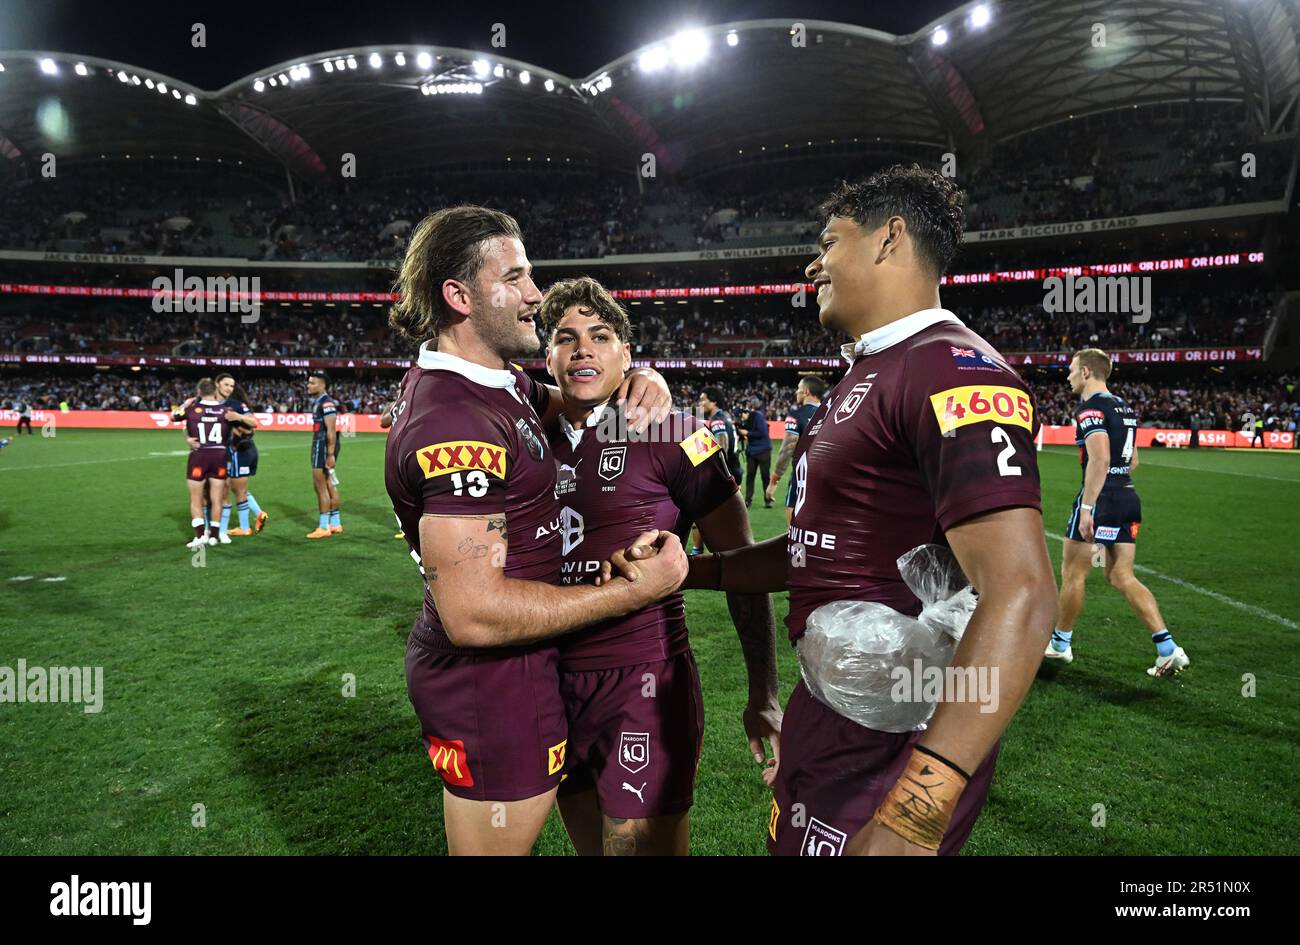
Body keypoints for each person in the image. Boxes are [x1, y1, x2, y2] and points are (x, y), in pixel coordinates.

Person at [678, 165, 1056, 855]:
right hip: (832, 717)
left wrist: (920, 803)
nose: (813, 262)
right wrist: (691, 571)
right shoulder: (866, 372)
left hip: (895, 742)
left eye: (830, 241)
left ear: (889, 239)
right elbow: (815, 553)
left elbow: (1024, 594)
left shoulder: (954, 370)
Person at [384, 204, 686, 855]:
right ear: (459, 296)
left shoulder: (502, 386)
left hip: (522, 666)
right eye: (515, 278)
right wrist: (638, 591)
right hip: (489, 683)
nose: (535, 295)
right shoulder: (456, 423)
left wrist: (639, 376)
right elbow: (476, 613)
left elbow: (580, 401)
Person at [540, 276, 781, 855]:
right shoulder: (521, 430)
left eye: (600, 336)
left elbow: (741, 564)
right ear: (544, 354)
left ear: (627, 351)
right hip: (542, 682)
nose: (583, 350)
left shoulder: (676, 433)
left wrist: (764, 690)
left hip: (642, 684)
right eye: (566, 338)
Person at [1045, 348, 1188, 676]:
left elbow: (1100, 459)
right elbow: (1133, 460)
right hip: (1126, 496)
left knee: (1074, 573)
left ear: (1085, 373)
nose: (1067, 376)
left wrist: (1088, 507)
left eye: (1071, 370)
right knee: (1121, 576)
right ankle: (1167, 649)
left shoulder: (1090, 408)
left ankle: (1060, 645)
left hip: (1102, 497)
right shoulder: (1124, 407)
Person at [178, 377, 255, 550]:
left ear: (199, 392)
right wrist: (237, 418)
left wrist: (185, 404)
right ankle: (214, 535)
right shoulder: (226, 410)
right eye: (227, 384)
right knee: (217, 497)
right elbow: (252, 423)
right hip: (220, 455)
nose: (229, 388)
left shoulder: (191, 409)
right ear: (216, 389)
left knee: (197, 498)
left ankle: (202, 536)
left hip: (199, 455)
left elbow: (174, 417)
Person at [766, 376, 826, 524]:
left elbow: (787, 450)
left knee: (795, 530)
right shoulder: (831, 413)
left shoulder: (796, 416)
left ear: (806, 392)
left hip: (802, 477)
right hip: (826, 476)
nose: (796, 393)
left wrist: (774, 480)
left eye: (799, 390)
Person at [214, 374, 266, 537]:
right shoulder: (216, 404)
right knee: (232, 487)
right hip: (235, 451)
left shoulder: (235, 405)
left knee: (237, 489)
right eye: (226, 385)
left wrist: (238, 419)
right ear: (217, 384)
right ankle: (257, 514)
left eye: (231, 385)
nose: (229, 388)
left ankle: (243, 526)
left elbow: (253, 424)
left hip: (239, 450)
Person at [690, 388, 741, 554]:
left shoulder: (718, 420)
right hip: (733, 472)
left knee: (699, 515)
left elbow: (721, 448)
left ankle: (698, 553)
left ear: (714, 402)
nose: (700, 403)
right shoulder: (725, 417)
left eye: (703, 399)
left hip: (721, 476)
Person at [305, 371, 341, 539]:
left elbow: (331, 430)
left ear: (322, 385)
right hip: (323, 445)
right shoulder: (320, 402)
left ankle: (323, 526)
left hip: (322, 446)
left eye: (312, 383)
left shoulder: (326, 404)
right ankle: (335, 523)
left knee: (320, 486)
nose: (309, 386)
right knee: (328, 484)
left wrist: (330, 453)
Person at [741, 400, 772, 508]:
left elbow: (762, 433)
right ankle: (748, 500)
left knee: (765, 476)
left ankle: (768, 500)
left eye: (741, 415)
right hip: (752, 451)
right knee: (750, 476)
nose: (741, 418)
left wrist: (747, 433)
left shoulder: (757, 417)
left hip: (763, 450)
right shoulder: (748, 420)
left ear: (746, 413)